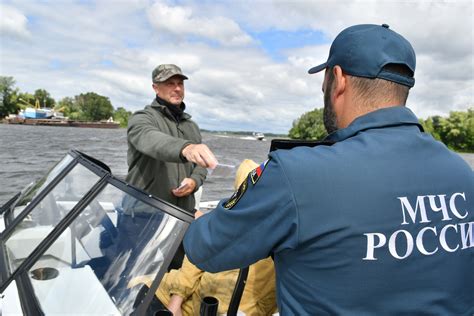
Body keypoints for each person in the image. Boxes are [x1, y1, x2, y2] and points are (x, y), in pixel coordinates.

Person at [183, 24, 474, 315]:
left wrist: (202, 218)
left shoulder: (296, 175)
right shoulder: (463, 174)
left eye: (324, 82)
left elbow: (205, 249)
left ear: (338, 79)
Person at [130, 160, 277, 316]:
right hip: (178, 298)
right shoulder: (227, 221)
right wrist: (176, 301)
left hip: (227, 309)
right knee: (136, 295)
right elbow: (196, 258)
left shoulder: (287, 242)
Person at [123, 64, 218, 270]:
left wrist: (194, 181)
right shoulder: (142, 118)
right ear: (155, 88)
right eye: (169, 84)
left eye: (180, 83)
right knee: (134, 272)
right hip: (143, 214)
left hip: (181, 216)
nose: (177, 88)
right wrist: (186, 148)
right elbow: (151, 141)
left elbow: (200, 167)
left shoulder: (191, 126)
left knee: (176, 273)